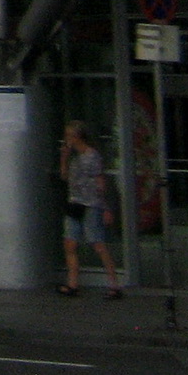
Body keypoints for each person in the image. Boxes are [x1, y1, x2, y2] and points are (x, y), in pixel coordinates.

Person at [59, 120, 122, 299]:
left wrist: (105, 208)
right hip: (74, 202)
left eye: (69, 136)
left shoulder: (91, 155)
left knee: (97, 243)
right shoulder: (72, 157)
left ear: (77, 137)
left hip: (91, 204)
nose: (66, 139)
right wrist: (63, 158)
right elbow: (64, 177)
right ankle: (72, 283)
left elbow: (100, 182)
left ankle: (114, 285)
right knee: (70, 243)